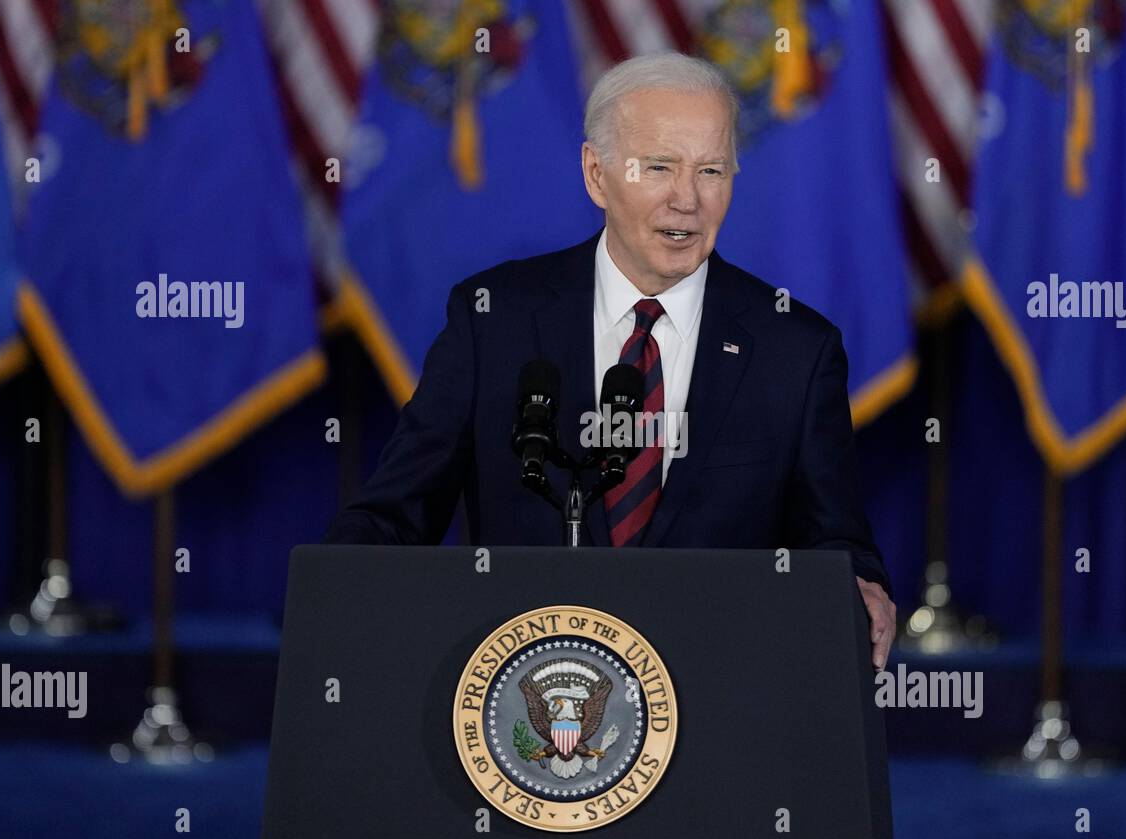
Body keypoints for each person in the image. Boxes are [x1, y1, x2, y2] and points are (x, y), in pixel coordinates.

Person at [326, 51, 897, 668]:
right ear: (597, 174)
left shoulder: (795, 348)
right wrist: (332, 588)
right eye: (658, 167)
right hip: (524, 697)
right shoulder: (494, 320)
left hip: (719, 700)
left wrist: (859, 584)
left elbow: (835, 539)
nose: (688, 200)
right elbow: (395, 513)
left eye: (711, 171)